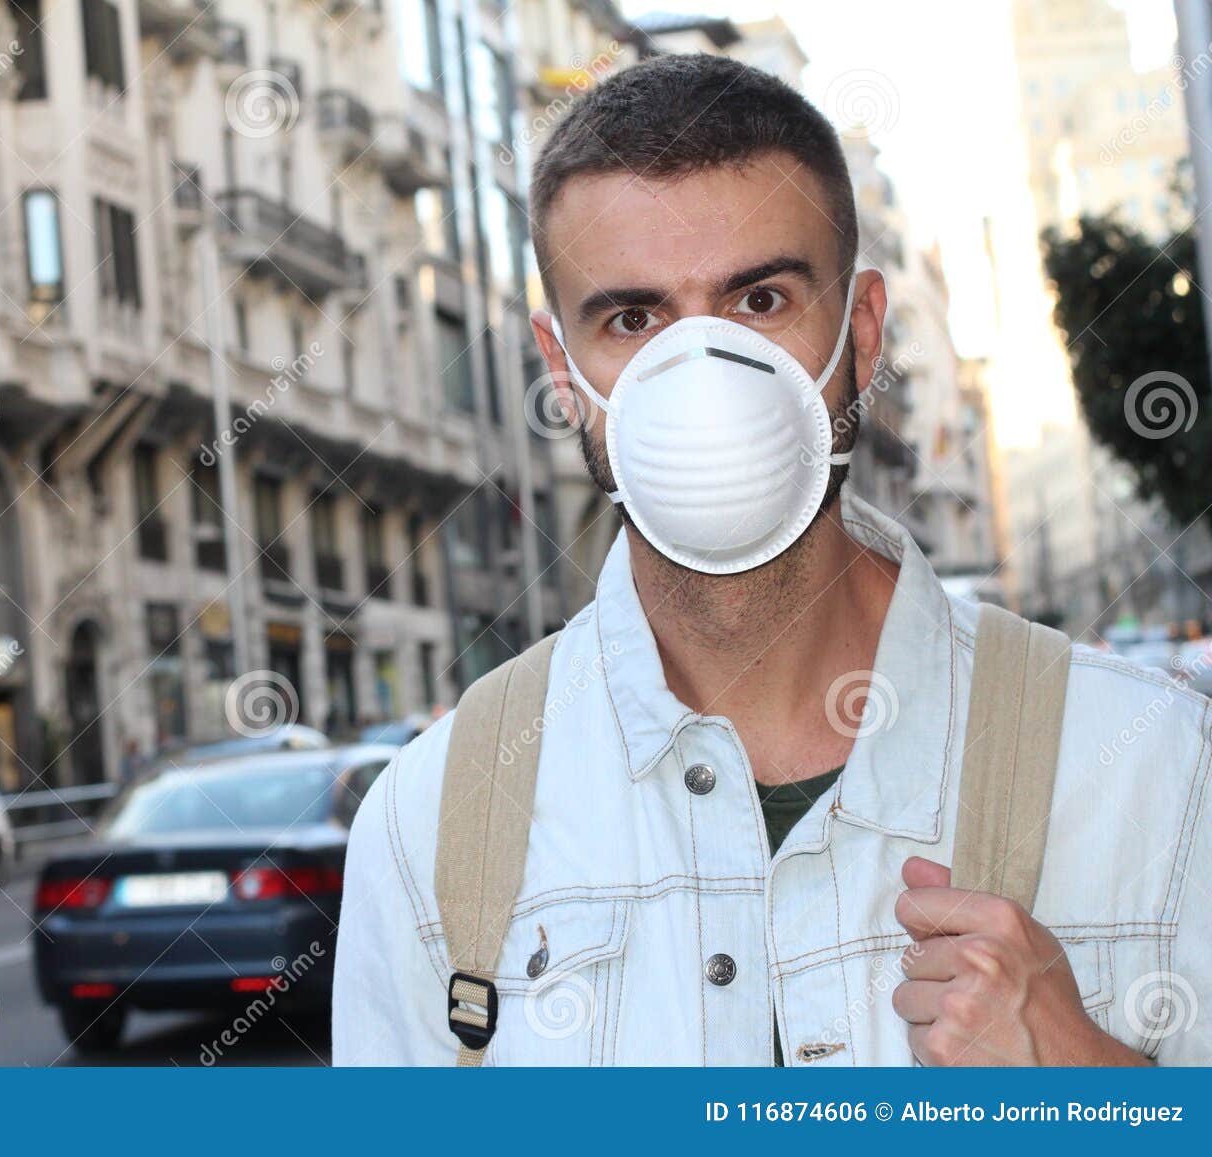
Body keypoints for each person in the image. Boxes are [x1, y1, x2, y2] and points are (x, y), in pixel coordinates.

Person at [333, 53, 1210, 1066]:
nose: (701, 373)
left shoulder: (1152, 766)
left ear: (863, 329)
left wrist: (1094, 1097)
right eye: (632, 318)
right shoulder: (431, 823)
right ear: (560, 370)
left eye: (758, 301)